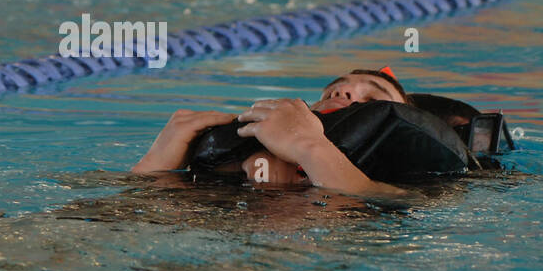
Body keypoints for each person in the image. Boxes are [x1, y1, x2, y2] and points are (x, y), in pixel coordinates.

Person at [132, 68, 413, 196]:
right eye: (333, 89)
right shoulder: (247, 152)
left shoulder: (402, 184)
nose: (341, 90)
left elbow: (394, 201)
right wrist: (153, 169)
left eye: (373, 101)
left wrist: (311, 148)